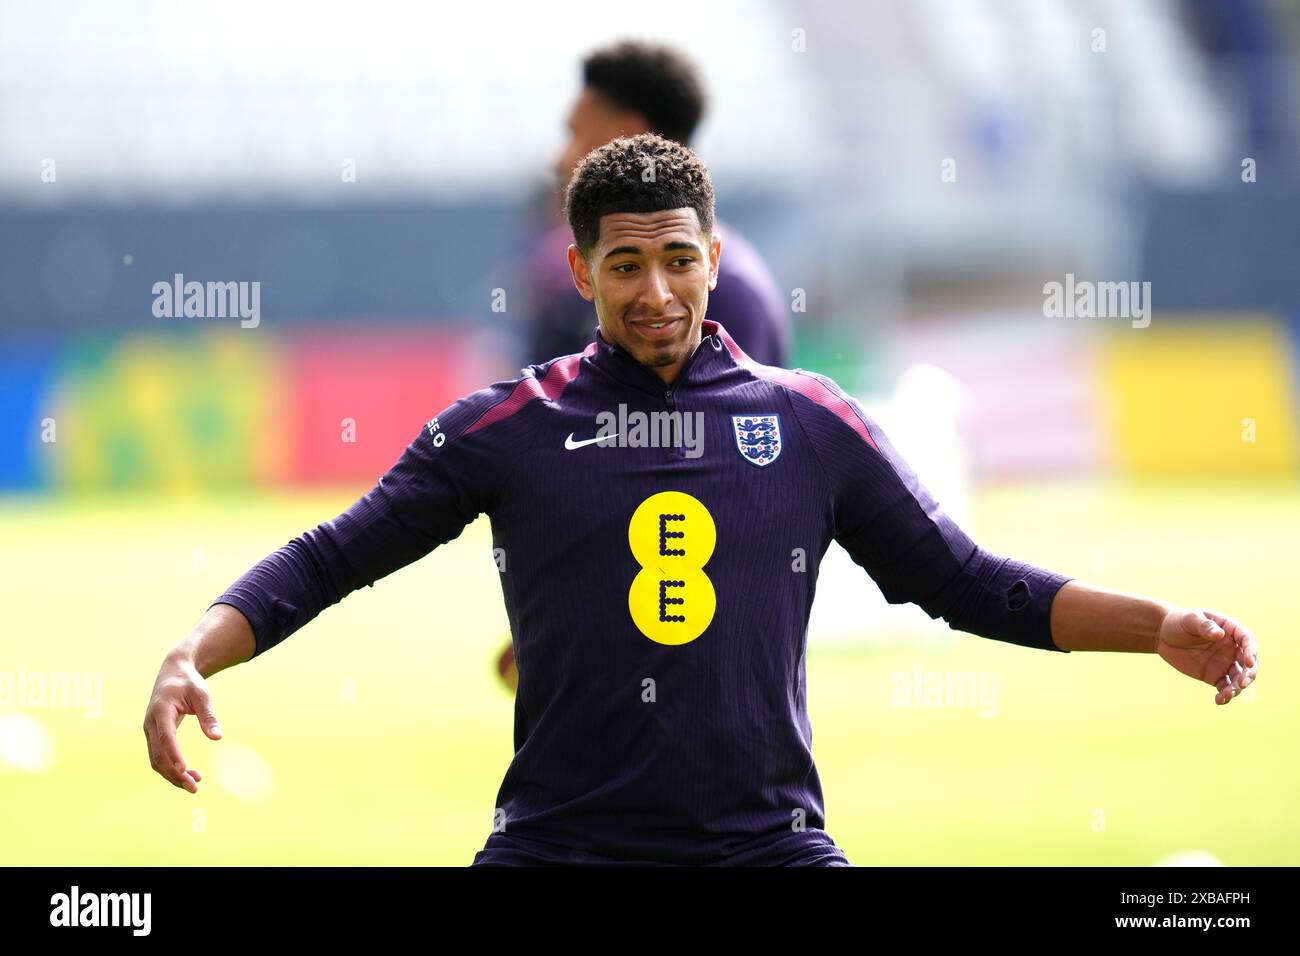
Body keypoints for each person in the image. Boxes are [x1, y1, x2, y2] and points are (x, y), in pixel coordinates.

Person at [144, 134, 1259, 867]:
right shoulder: (506, 427)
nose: (657, 291)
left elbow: (962, 581)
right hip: (559, 844)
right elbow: (333, 554)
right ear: (579, 274)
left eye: (679, 259)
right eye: (624, 266)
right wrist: (198, 647)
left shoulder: (813, 421)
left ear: (716, 256)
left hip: (766, 845)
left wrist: (1155, 624)